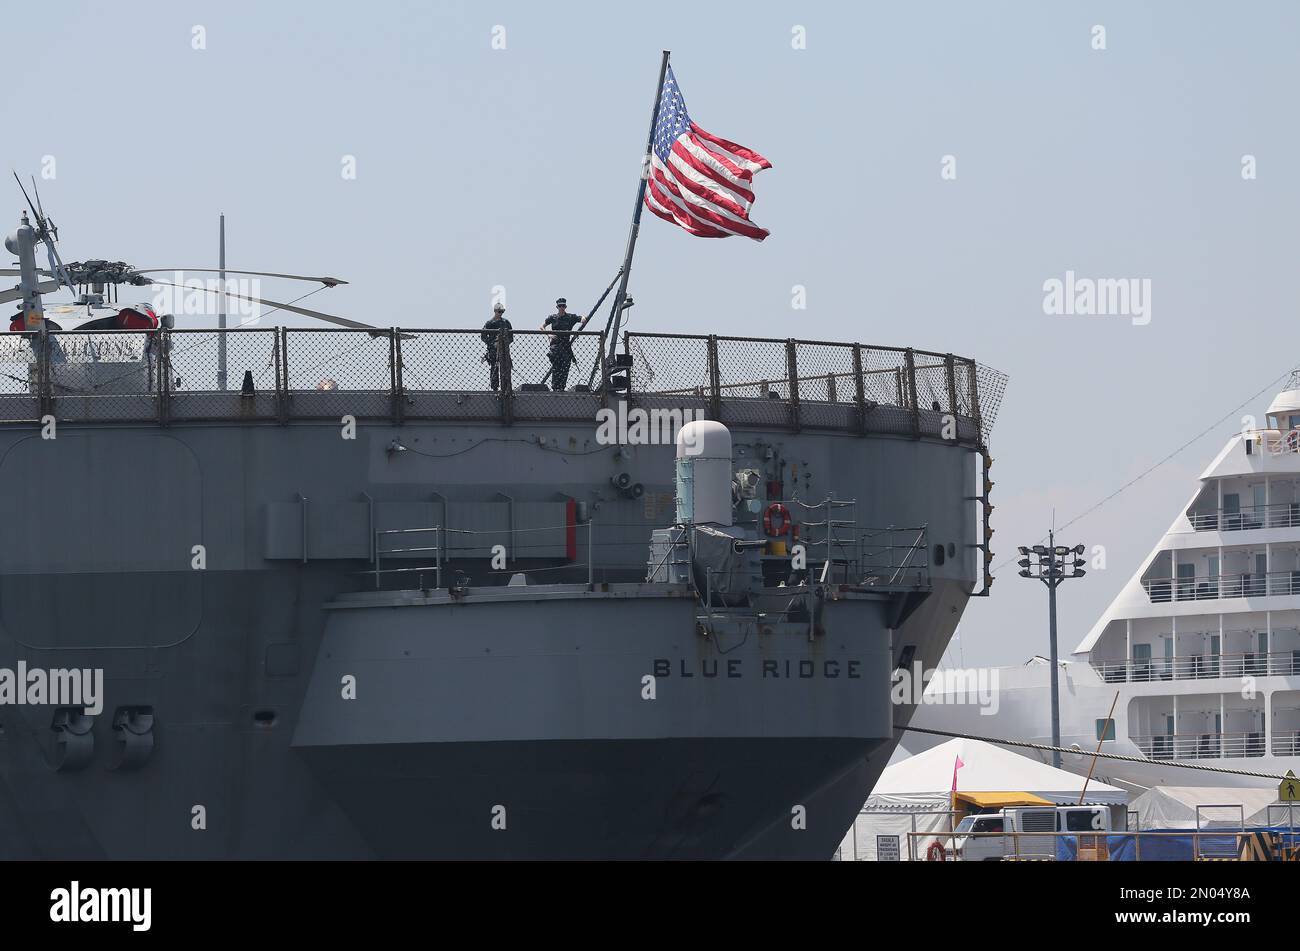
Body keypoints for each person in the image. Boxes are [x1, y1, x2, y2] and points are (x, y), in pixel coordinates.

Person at [542, 297, 582, 392]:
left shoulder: (570, 317)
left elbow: (582, 318)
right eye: (560, 306)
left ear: (565, 306)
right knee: (556, 366)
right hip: (555, 345)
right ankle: (555, 387)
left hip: (566, 346)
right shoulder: (552, 317)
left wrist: (584, 319)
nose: (561, 307)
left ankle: (562, 387)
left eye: (563, 306)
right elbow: (542, 326)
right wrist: (549, 334)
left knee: (565, 367)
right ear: (557, 307)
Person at [481, 303, 512, 391]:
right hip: (493, 350)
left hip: (504, 349)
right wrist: (492, 344)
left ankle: (506, 387)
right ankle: (495, 387)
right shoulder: (490, 323)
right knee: (495, 367)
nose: (501, 313)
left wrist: (505, 344)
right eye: (499, 311)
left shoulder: (506, 322)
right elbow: (483, 336)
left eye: (502, 311)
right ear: (495, 311)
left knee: (506, 367)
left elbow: (511, 336)